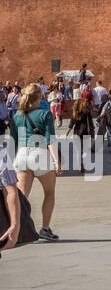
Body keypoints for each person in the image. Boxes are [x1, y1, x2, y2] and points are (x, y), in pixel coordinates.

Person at [12, 85, 61, 240]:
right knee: (49, 192)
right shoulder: (45, 114)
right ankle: (45, 229)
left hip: (21, 155)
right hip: (39, 155)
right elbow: (50, 140)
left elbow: (13, 141)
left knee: (21, 197)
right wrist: (57, 161)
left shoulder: (17, 116)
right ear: (38, 97)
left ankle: (17, 229)